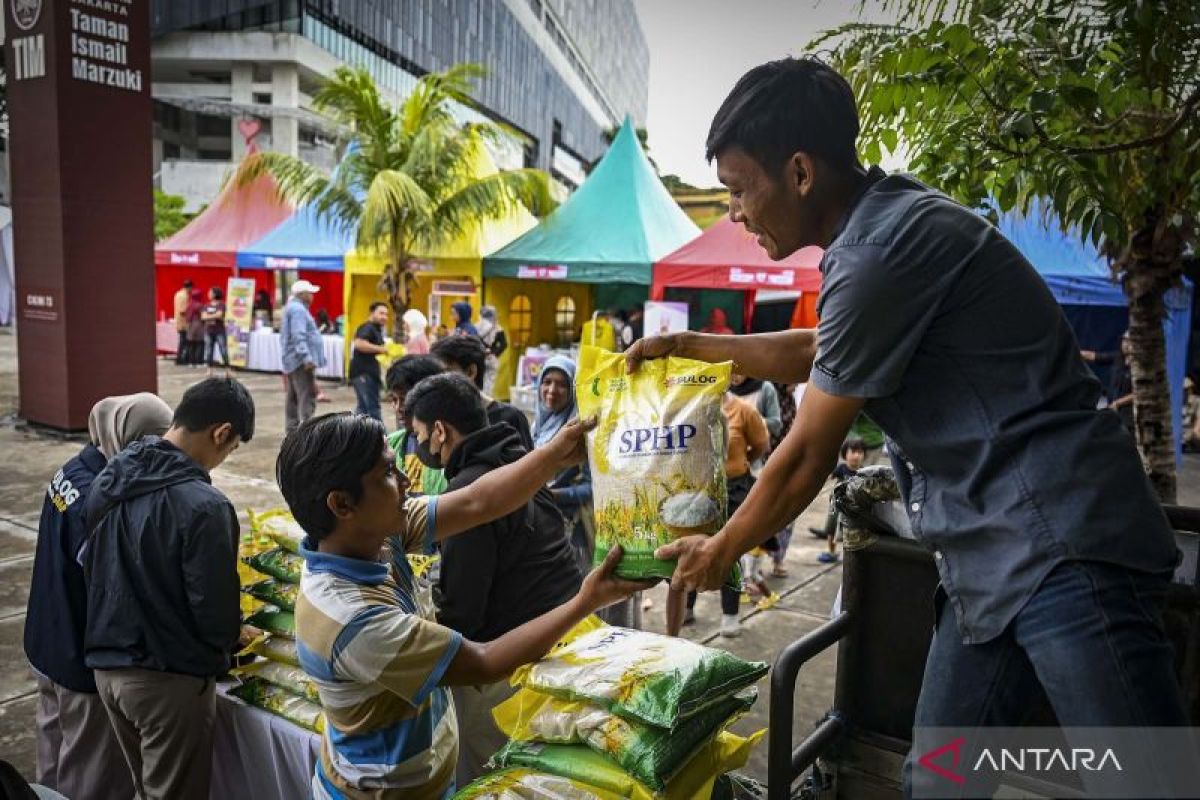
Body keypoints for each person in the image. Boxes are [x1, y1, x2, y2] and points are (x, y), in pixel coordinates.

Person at [627, 57, 1187, 796]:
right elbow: (821, 352)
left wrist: (722, 548)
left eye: (737, 190)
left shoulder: (878, 254)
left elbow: (802, 459)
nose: (734, 212)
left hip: (1062, 545)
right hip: (985, 558)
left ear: (799, 172)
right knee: (940, 780)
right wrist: (688, 346)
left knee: (1144, 781)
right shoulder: (883, 227)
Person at [277, 412, 643, 800]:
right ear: (342, 504)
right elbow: (485, 662)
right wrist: (587, 600)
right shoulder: (353, 620)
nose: (405, 481)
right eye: (387, 473)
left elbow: (476, 501)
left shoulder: (375, 537)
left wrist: (554, 454)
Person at [404, 374, 584, 784]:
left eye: (418, 435)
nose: (418, 447)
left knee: (495, 775)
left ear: (439, 431)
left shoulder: (469, 493)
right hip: (560, 636)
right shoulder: (520, 463)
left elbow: (464, 609)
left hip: (510, 659)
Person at [83, 378, 255, 800]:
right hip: (165, 680)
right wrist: (235, 636)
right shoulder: (205, 506)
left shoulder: (110, 477)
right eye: (230, 449)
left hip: (107, 665)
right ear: (221, 432)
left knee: (145, 789)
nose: (222, 460)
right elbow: (212, 611)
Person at [24, 393, 172, 800]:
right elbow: (115, 590)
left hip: (47, 640)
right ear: (127, 437)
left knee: (52, 757)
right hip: (79, 657)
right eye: (151, 441)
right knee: (90, 775)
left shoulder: (76, 468)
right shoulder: (100, 501)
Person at [667, 388, 769, 639]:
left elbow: (759, 446)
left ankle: (730, 614)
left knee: (729, 549)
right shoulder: (686, 407)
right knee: (691, 546)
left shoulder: (743, 410)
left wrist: (736, 464)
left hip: (734, 487)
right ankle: (688, 606)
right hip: (697, 489)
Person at [431, 335, 533, 449]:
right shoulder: (440, 420)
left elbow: (530, 465)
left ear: (471, 372)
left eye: (445, 373)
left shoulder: (510, 418)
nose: (436, 381)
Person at [384, 355, 449, 496]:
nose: (398, 407)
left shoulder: (449, 447)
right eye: (394, 399)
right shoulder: (391, 444)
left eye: (405, 399)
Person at [811, 438, 867, 564]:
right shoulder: (841, 468)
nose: (856, 455)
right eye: (853, 452)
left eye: (860, 452)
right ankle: (831, 552)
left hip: (851, 509)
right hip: (835, 505)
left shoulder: (863, 472)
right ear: (845, 454)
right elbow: (828, 477)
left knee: (848, 533)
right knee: (831, 529)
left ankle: (848, 555)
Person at [281, 279, 327, 433]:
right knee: (306, 395)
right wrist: (306, 357)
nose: (312, 296)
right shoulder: (298, 310)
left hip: (294, 359)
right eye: (310, 293)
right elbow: (298, 335)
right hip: (300, 361)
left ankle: (293, 428)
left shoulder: (293, 308)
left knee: (294, 395)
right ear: (303, 294)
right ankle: (306, 430)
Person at [349, 302, 389, 422]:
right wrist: (381, 349)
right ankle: (380, 437)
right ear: (372, 313)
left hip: (368, 373)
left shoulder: (376, 329)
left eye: (386, 314)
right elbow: (359, 344)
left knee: (363, 409)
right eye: (381, 313)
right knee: (372, 409)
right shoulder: (367, 327)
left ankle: (356, 435)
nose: (384, 317)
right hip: (363, 373)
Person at [476, 305, 507, 395]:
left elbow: (475, 340)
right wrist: (494, 353)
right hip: (491, 359)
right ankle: (487, 403)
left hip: (479, 357)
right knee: (489, 383)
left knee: (479, 381)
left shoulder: (477, 326)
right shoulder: (498, 327)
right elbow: (504, 344)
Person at [202, 286, 229, 375]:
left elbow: (220, 314)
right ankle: (209, 369)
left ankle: (228, 369)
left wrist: (209, 316)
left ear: (215, 294)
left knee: (223, 350)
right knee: (209, 350)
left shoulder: (221, 304)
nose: (209, 294)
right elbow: (203, 316)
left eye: (210, 292)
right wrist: (215, 316)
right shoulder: (206, 305)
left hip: (219, 331)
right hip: (208, 331)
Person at [184, 288, 206, 367]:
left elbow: (187, 317)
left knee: (191, 345)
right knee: (199, 344)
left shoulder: (189, 304)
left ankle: (191, 362)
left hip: (190, 325)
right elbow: (203, 316)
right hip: (199, 325)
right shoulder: (200, 305)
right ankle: (199, 362)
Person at [173, 279, 193, 365]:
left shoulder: (177, 294)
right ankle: (181, 359)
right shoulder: (185, 296)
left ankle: (180, 358)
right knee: (184, 341)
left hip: (178, 320)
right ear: (189, 287)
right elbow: (183, 310)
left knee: (182, 341)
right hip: (184, 321)